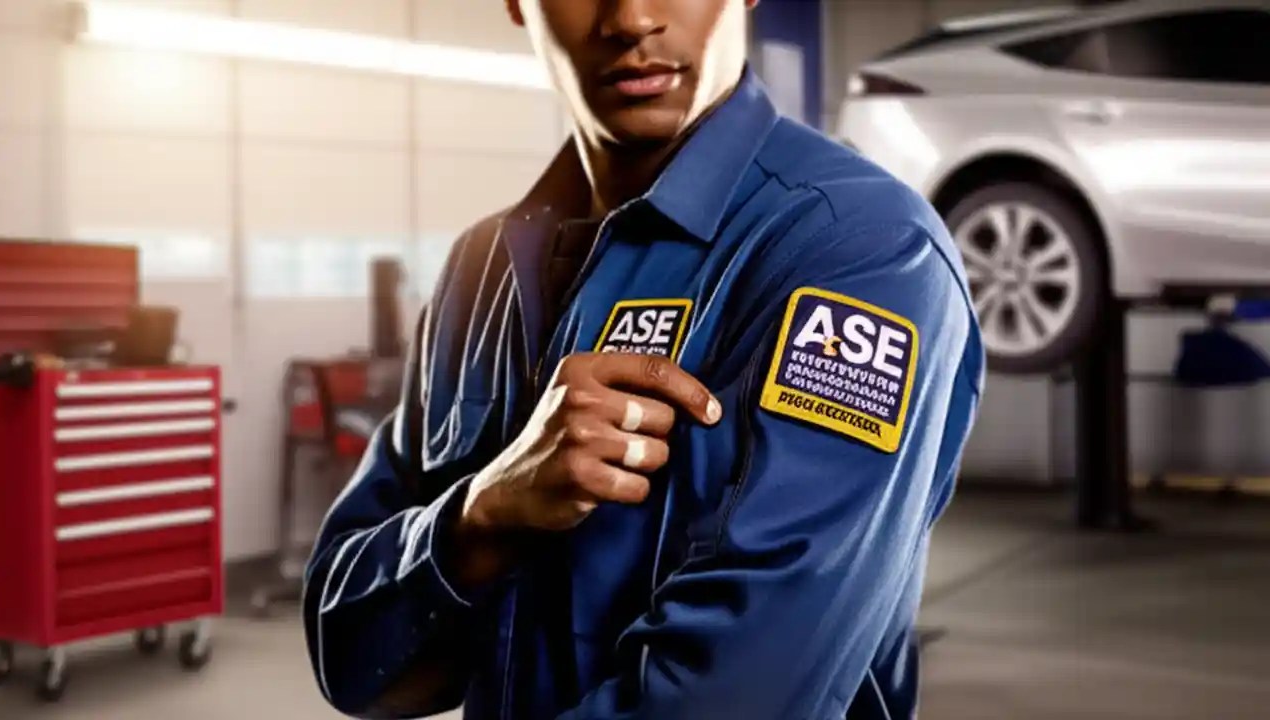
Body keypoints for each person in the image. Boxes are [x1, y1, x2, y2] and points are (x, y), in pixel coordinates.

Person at [303, 0, 983, 718]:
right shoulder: (482, 271)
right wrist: (484, 515)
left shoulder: (857, 251)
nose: (629, 19)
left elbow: (736, 698)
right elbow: (351, 659)